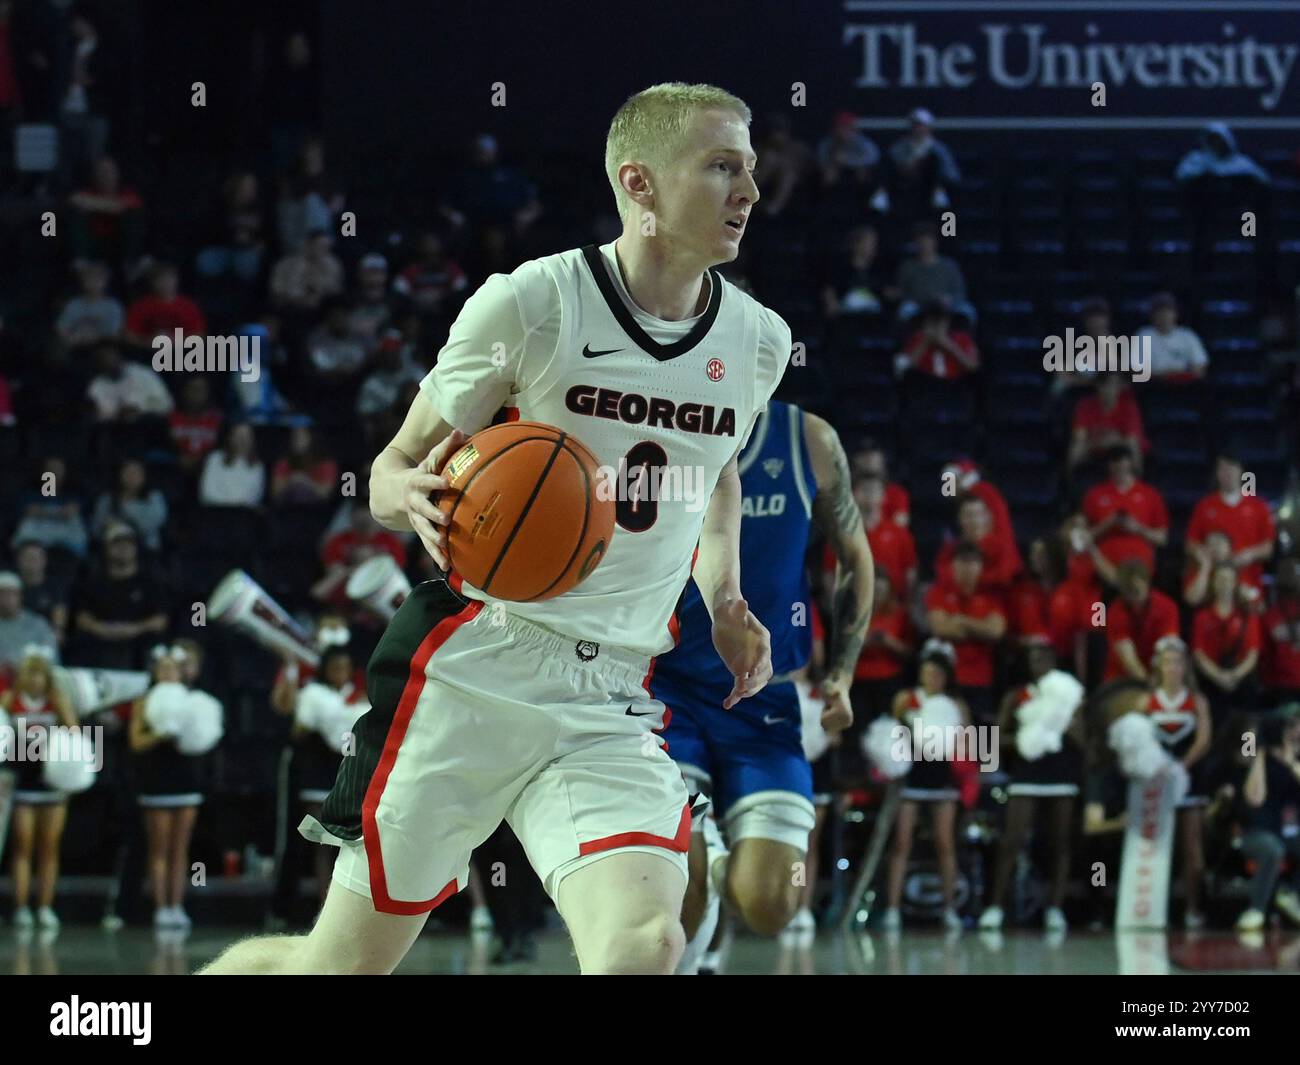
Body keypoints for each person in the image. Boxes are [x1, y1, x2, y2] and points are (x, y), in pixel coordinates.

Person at [200, 82, 786, 976]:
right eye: (720, 167)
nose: (749, 189)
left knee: (647, 941)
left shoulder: (757, 342)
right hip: (476, 664)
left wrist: (727, 594)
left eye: (749, 167)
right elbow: (392, 472)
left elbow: (716, 474)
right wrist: (416, 500)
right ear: (640, 183)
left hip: (610, 695)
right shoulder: (533, 303)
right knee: (338, 968)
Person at [652, 400, 873, 970]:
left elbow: (853, 558)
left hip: (766, 699)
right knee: (676, 891)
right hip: (667, 689)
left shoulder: (809, 439)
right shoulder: (652, 425)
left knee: (772, 905)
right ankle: (699, 871)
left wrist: (842, 673)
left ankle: (722, 856)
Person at [978, 643, 1083, 932]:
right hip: (1025, 774)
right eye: (1034, 658)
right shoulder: (1016, 696)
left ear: (1054, 661)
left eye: (1045, 657)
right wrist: (1027, 736)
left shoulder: (1069, 695)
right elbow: (994, 739)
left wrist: (1065, 727)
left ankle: (1055, 910)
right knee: (1011, 840)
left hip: (1061, 774)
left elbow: (1087, 739)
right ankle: (995, 908)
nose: (1039, 662)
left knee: (1060, 842)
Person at [881, 646, 969, 931]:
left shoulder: (955, 705)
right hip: (911, 778)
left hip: (942, 779)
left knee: (945, 844)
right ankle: (892, 910)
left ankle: (949, 909)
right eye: (927, 672)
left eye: (938, 674)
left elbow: (966, 745)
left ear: (946, 677)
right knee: (901, 843)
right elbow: (890, 736)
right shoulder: (905, 700)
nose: (932, 678)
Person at [1, 648, 77, 929]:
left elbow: (76, 737)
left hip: (52, 784)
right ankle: (21, 907)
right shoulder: (11, 701)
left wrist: (64, 712)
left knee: (49, 848)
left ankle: (45, 907)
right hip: (23, 783)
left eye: (40, 675)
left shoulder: (56, 702)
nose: (35, 680)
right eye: (29, 674)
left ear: (47, 678)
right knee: (22, 846)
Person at [129, 646, 204, 930]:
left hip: (186, 780)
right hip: (156, 781)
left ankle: (178, 906)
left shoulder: (192, 700)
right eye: (163, 668)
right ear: (155, 672)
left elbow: (203, 739)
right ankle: (160, 908)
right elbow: (136, 742)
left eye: (173, 668)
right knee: (159, 848)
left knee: (180, 848)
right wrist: (160, 734)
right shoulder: (144, 701)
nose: (168, 673)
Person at [1141, 637, 1212, 928]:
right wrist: (1158, 766)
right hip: (1155, 780)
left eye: (1178, 662)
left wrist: (1182, 766)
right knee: (1155, 848)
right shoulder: (1147, 699)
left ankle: (1193, 908)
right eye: (1167, 661)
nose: (1172, 667)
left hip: (1189, 777)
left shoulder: (1197, 701)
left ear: (1185, 666)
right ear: (1158, 665)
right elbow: (1140, 738)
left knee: (1192, 849)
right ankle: (1155, 910)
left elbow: (1204, 738)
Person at [925, 542, 1007, 725]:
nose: (967, 568)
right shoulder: (938, 592)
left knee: (985, 743)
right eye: (962, 562)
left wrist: (961, 621)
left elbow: (996, 631)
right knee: (947, 742)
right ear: (953, 565)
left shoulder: (991, 596)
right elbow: (940, 628)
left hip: (982, 678)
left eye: (972, 563)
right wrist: (980, 628)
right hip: (948, 680)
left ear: (980, 567)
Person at [1234, 709, 1300, 931]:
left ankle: (1291, 894)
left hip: (1288, 828)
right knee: (1273, 850)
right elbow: (1254, 798)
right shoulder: (1254, 751)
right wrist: (1256, 741)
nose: (1295, 732)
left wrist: (1291, 761)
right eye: (1290, 727)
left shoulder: (1294, 759)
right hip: (1256, 828)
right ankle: (1256, 910)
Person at [1187, 451, 1275, 595]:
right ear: (1216, 473)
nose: (1227, 473)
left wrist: (1250, 554)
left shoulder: (1259, 506)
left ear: (1241, 471)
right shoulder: (1204, 506)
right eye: (1222, 468)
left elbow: (1268, 547)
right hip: (1215, 583)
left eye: (1232, 467)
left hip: (1248, 580)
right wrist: (1204, 554)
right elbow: (1191, 543)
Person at [1191, 563, 1261, 724]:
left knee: (1247, 728)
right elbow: (1198, 653)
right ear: (1213, 583)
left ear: (1235, 583)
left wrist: (1235, 675)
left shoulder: (1247, 615)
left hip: (1241, 679)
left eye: (1229, 580)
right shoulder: (1202, 617)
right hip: (1211, 680)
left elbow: (1253, 653)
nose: (1224, 584)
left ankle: (1247, 750)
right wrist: (1218, 676)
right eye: (1220, 579)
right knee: (1216, 726)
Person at [1082, 445, 1169, 572]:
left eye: (1122, 460)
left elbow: (1162, 538)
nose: (1119, 466)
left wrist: (1138, 529)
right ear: (1109, 465)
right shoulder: (1095, 495)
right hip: (1104, 564)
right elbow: (1083, 538)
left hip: (1139, 564)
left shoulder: (1150, 494)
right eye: (1114, 461)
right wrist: (1107, 525)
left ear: (1130, 463)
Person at [1103, 559, 1180, 682]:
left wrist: (1160, 681)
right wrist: (1148, 684)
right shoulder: (1115, 612)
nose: (1134, 596)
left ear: (1147, 583)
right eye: (1129, 591)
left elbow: (1169, 647)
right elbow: (1128, 659)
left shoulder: (1167, 606)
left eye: (1138, 589)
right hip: (1122, 677)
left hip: (1161, 672)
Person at [90, 458, 169, 553]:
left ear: (144, 476)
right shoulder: (107, 498)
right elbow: (95, 530)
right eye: (127, 472)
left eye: (136, 472)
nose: (131, 476)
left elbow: (149, 525)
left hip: (147, 550)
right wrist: (106, 527)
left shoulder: (154, 497)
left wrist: (126, 506)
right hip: (114, 551)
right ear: (120, 474)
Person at [0, 571, 59, 682]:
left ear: (20, 596)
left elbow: (51, 655)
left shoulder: (37, 624)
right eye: (2, 594)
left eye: (11, 594)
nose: (6, 599)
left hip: (32, 682)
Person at [1139, 292, 1208, 382]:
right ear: (1152, 315)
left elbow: (1200, 367)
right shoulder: (1143, 335)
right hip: (1154, 388)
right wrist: (1165, 376)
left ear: (1176, 313)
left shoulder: (1188, 335)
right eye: (1159, 311)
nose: (1164, 315)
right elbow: (1138, 372)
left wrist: (1180, 375)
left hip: (1186, 387)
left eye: (1168, 311)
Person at [198, 423, 265, 507]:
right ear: (230, 438)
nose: (242, 440)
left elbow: (256, 496)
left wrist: (237, 507)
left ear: (252, 440)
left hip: (243, 513)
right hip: (215, 510)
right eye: (238, 435)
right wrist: (228, 506)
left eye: (246, 436)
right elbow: (206, 491)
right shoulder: (214, 458)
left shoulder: (258, 464)